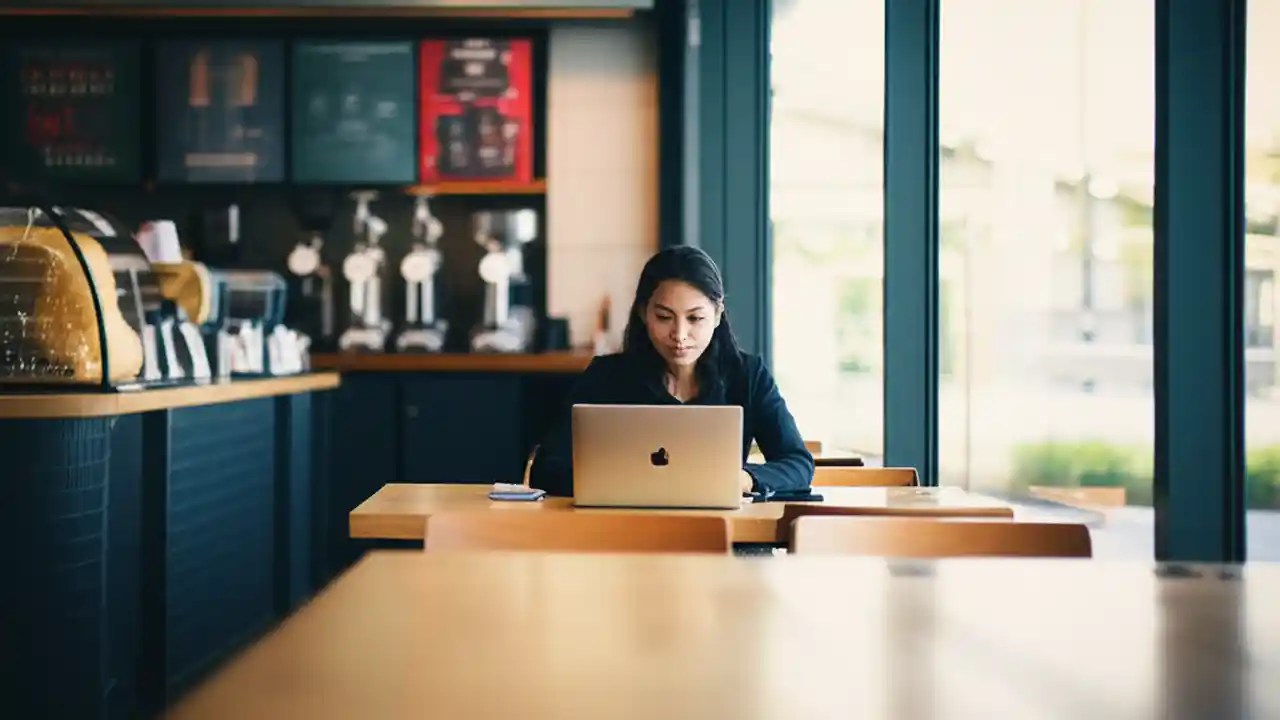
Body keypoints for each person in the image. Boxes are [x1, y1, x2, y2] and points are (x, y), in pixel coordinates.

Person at [529, 246, 814, 498]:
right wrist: (617, 482)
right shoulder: (607, 377)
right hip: (622, 538)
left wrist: (745, 478)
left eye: (695, 318)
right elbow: (546, 469)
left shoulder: (748, 376)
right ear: (643, 313)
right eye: (664, 317)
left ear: (717, 315)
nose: (680, 334)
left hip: (722, 536)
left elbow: (798, 464)